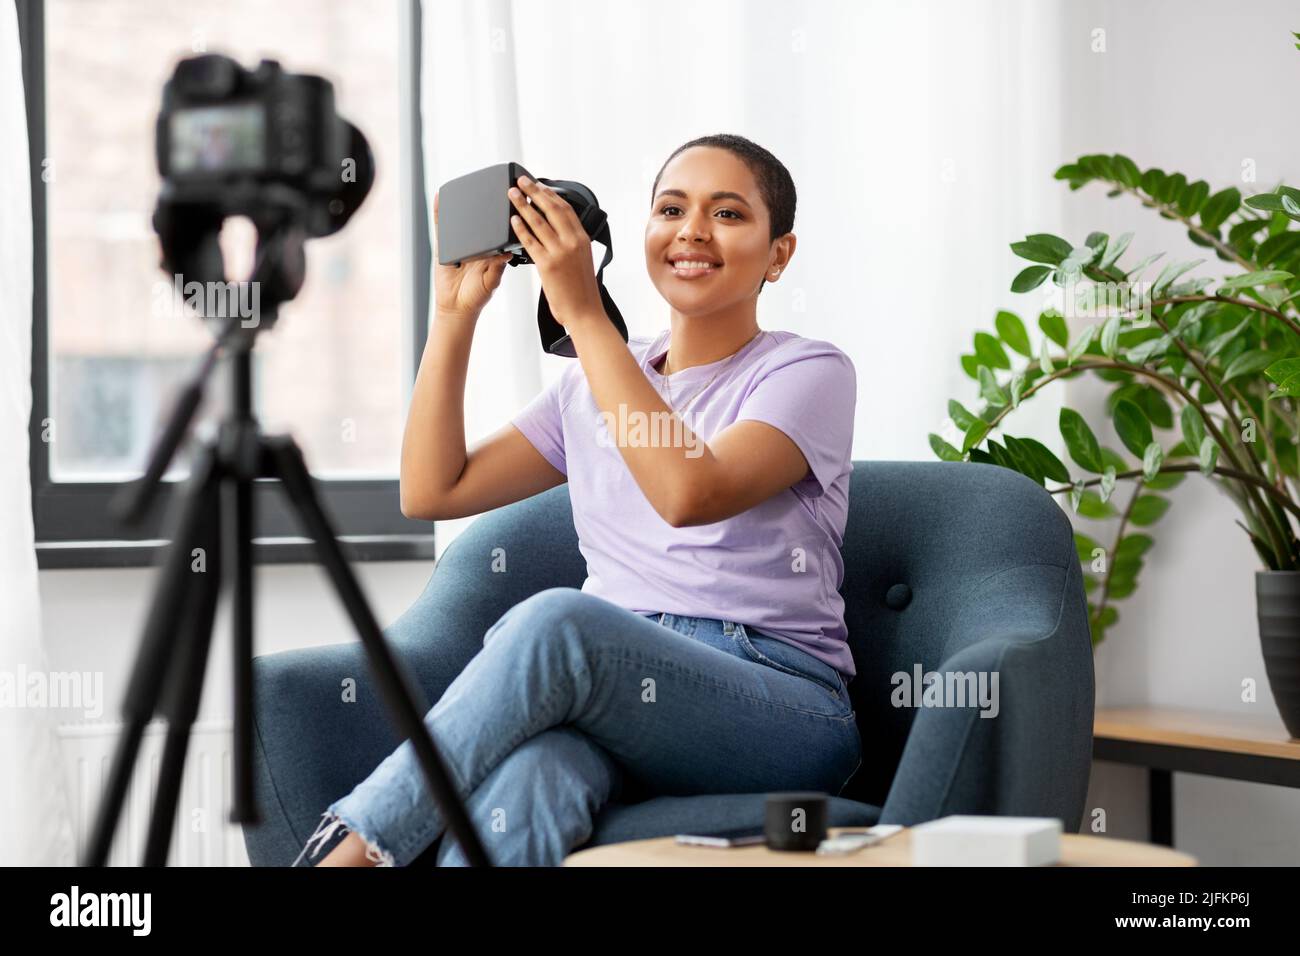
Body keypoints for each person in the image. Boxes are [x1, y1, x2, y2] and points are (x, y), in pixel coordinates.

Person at [296, 133, 860, 867]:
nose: (691, 231)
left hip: (779, 703)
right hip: (618, 695)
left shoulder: (806, 372)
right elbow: (433, 488)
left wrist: (585, 315)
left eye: (727, 214)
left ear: (778, 254)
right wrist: (453, 315)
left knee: (560, 619)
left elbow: (689, 491)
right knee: (531, 778)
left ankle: (348, 852)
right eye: (670, 209)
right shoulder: (587, 384)